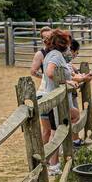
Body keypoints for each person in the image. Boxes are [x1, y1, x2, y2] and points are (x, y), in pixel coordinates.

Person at [38, 30, 73, 174]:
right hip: (55, 98)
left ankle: (55, 160)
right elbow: (51, 73)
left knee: (59, 127)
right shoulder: (55, 56)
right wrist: (66, 81)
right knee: (55, 130)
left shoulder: (53, 54)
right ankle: (53, 164)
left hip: (57, 99)